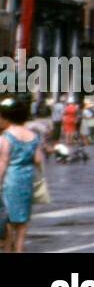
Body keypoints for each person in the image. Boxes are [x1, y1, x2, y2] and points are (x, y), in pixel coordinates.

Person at [0, 97, 45, 253]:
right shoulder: (33, 136)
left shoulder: (7, 136)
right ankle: (19, 249)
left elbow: (3, 162)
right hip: (26, 178)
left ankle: (8, 249)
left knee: (8, 218)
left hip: (10, 178)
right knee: (23, 218)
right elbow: (38, 159)